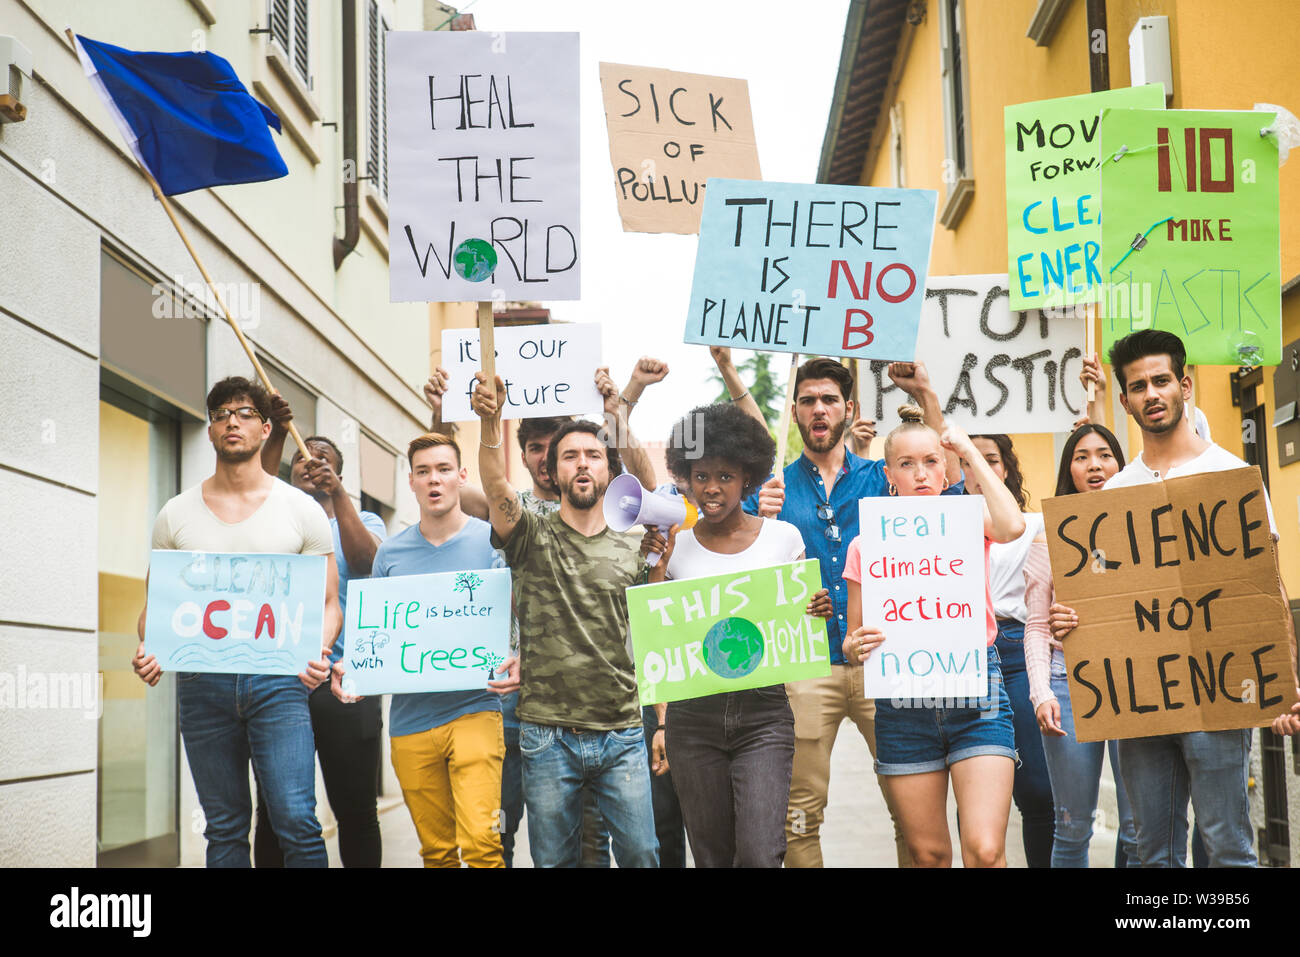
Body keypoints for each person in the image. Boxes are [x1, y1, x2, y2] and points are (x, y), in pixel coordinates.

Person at [1049, 329, 1293, 867]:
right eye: (1138, 386)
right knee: (1151, 853)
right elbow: (1100, 597)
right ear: (1125, 400)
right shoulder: (1113, 496)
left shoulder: (1233, 476)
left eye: (1162, 381)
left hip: (1219, 693)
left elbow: (1267, 586)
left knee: (1228, 846)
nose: (1151, 394)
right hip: (1139, 703)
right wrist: (1070, 619)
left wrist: (1286, 679)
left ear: (1184, 385)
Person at [748, 357, 960, 867]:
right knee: (798, 814)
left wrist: (928, 395)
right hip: (807, 665)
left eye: (828, 399)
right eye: (807, 401)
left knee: (911, 808)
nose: (818, 409)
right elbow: (744, 578)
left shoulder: (887, 477)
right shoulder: (770, 491)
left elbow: (947, 499)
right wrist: (756, 517)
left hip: (886, 662)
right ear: (795, 413)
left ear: (849, 409)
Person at [132, 376, 339, 867]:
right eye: (222, 414)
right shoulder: (175, 514)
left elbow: (329, 603)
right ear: (209, 431)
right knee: (223, 827)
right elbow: (156, 608)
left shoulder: (302, 510)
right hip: (203, 685)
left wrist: (319, 650)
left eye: (245, 413)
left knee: (296, 819)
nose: (232, 421)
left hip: (281, 681)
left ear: (266, 428)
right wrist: (148, 648)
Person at [471, 366, 661, 868]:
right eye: (570, 456)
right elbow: (493, 484)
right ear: (552, 472)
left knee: (643, 853)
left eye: (594, 456)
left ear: (607, 470)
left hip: (622, 730)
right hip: (546, 734)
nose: (582, 464)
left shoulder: (637, 544)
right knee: (553, 861)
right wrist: (490, 424)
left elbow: (657, 631)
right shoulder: (529, 533)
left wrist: (622, 406)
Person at [642, 402, 831, 866]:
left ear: (747, 477)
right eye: (701, 476)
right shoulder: (675, 547)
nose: (712, 488)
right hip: (693, 719)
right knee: (712, 857)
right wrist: (656, 570)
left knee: (761, 853)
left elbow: (799, 621)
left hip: (764, 715)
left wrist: (818, 611)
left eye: (725, 476)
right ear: (685, 477)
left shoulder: (783, 538)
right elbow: (659, 641)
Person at [842, 407, 1025, 867]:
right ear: (889, 475)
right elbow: (852, 638)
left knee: (985, 851)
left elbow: (1013, 525)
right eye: (906, 464)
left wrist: (965, 448)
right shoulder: (867, 545)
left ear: (946, 471)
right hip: (904, 707)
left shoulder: (969, 519)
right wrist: (855, 646)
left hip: (977, 696)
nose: (920, 474)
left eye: (930, 462)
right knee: (929, 855)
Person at [335, 432, 519, 867]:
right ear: (412, 483)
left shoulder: (495, 544)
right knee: (436, 853)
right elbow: (377, 633)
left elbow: (519, 616)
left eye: (442, 470)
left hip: (477, 709)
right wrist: (355, 669)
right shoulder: (390, 555)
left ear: (461, 476)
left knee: (482, 845)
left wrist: (521, 656)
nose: (433, 480)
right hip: (410, 721)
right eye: (423, 472)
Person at [251, 424, 386, 868]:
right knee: (274, 812)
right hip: (279, 682)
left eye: (323, 456)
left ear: (339, 473)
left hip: (344, 683)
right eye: (301, 457)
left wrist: (338, 494)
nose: (311, 460)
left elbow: (367, 561)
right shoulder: (270, 520)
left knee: (356, 812)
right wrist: (272, 438)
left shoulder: (363, 520)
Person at [1023, 423, 1139, 867]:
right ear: (1068, 468)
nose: (1095, 465)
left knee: (1139, 828)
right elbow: (1035, 626)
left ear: (1120, 463)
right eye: (1082, 456)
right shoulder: (1047, 536)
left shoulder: (1143, 528)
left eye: (1105, 454)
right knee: (1071, 827)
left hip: (1137, 684)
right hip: (1068, 686)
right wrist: (1041, 693)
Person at [964, 434, 1053, 868]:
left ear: (1007, 469)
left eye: (991, 460)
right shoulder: (942, 524)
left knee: (1037, 788)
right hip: (962, 655)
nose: (980, 468)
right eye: (969, 460)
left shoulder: (1033, 525)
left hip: (1018, 653)